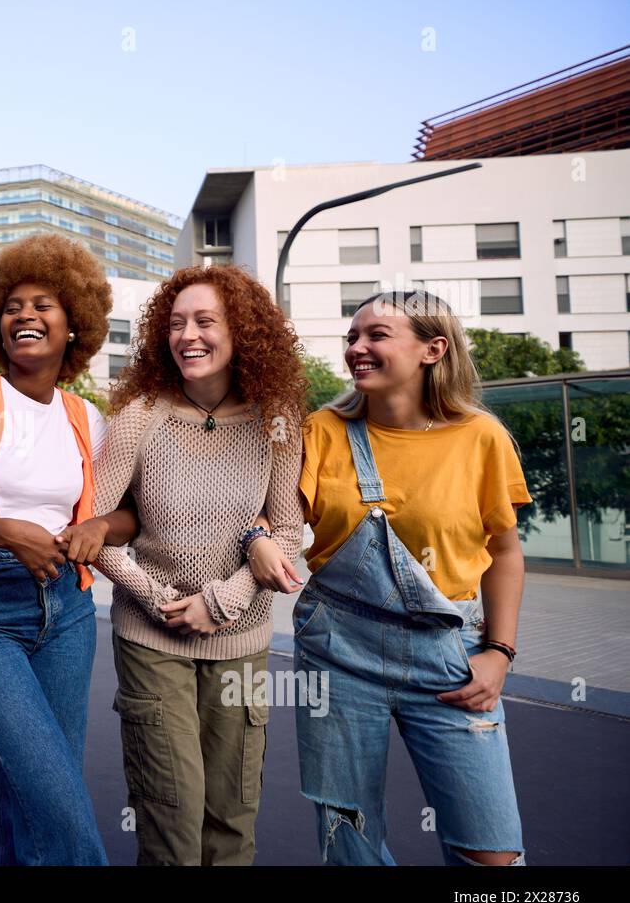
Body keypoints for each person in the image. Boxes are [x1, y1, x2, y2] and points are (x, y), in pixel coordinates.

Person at [251, 289, 528, 866]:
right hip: (338, 655)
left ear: (433, 348)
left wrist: (499, 652)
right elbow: (272, 514)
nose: (357, 347)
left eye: (376, 335)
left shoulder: (481, 438)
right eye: (353, 337)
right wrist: (257, 540)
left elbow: (504, 551)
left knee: (491, 853)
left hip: (450, 657)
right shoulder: (322, 432)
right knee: (348, 844)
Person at [92, 265, 306, 865]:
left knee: (233, 820)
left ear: (244, 332)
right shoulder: (139, 415)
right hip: (151, 639)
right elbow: (96, 533)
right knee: (171, 817)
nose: (189, 334)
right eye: (177, 322)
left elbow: (286, 527)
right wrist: (160, 599)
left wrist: (221, 603)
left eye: (206, 321)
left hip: (242, 639)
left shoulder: (277, 417)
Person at [0, 233, 134, 865]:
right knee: (55, 793)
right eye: (13, 305)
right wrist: (5, 532)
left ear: (74, 324)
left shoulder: (86, 418)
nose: (25, 314)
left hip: (69, 614)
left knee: (31, 796)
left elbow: (127, 515)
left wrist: (97, 530)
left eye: (43, 304)